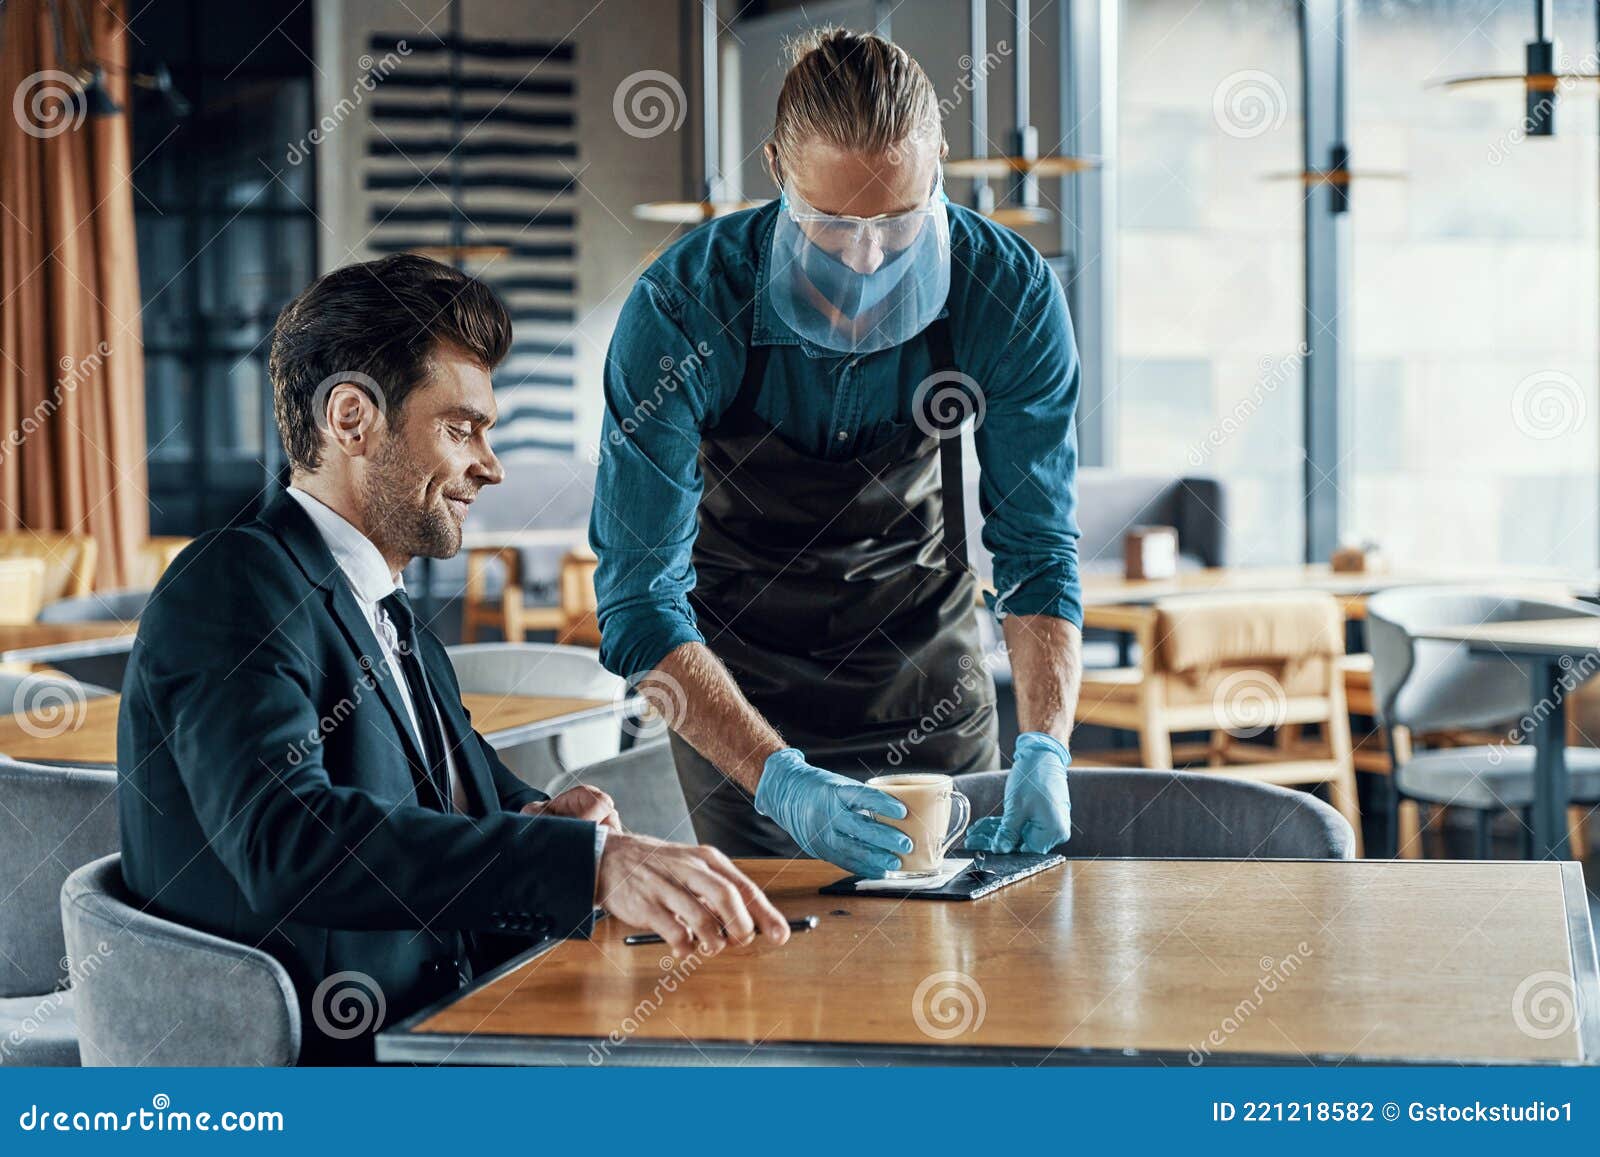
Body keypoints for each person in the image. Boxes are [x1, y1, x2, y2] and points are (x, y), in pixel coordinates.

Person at [118, 255, 789, 1064]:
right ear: (352, 418)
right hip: (328, 1063)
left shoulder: (391, 611)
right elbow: (284, 840)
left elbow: (460, 799)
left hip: (449, 1019)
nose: (490, 464)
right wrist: (590, 866)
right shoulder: (234, 584)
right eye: (461, 427)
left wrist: (544, 819)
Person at [591, 29, 1082, 877]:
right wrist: (777, 781)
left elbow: (1037, 552)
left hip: (926, 672)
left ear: (939, 166)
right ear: (778, 166)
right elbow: (637, 606)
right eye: (831, 225)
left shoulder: (1006, 291)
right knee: (774, 965)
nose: (865, 257)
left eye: (897, 222)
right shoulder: (682, 310)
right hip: (736, 686)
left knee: (965, 954)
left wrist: (1046, 742)